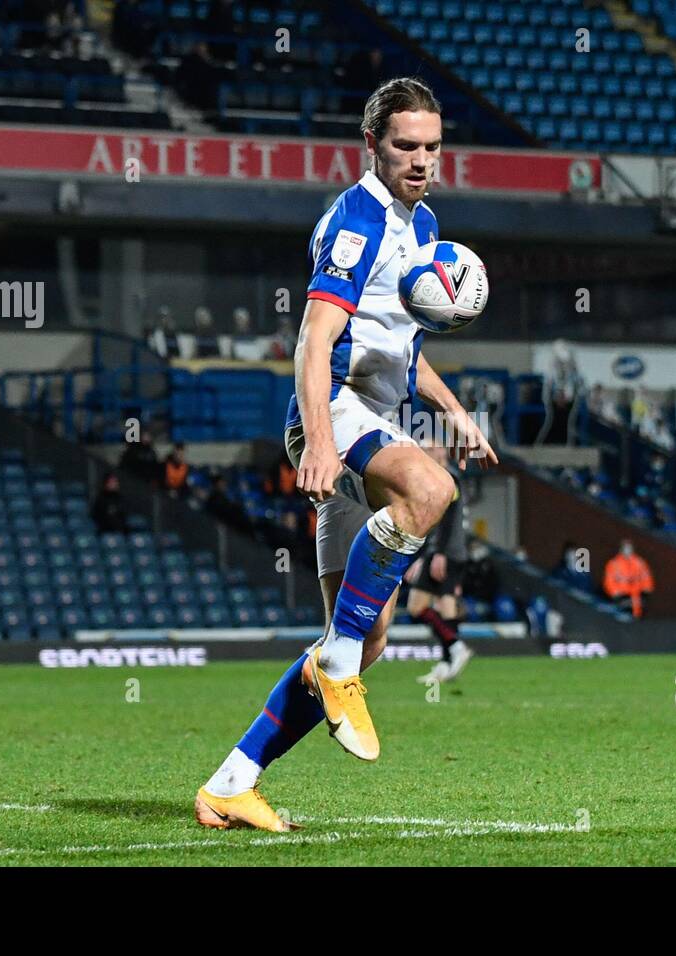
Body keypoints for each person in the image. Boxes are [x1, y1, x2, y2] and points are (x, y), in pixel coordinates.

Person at [195, 77, 498, 832]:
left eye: (432, 146)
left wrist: (456, 411)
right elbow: (315, 340)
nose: (422, 159)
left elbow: (398, 347)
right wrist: (321, 445)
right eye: (406, 145)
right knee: (430, 493)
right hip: (332, 412)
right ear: (371, 143)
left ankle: (232, 781)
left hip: (371, 415)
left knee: (366, 649)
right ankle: (331, 658)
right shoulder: (358, 221)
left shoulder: (423, 224)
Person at [406, 443, 473, 685]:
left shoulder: (448, 479)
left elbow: (448, 519)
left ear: (442, 451)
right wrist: (423, 558)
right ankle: (448, 660)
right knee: (444, 607)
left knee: (421, 606)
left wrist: (439, 554)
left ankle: (454, 650)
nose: (425, 452)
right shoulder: (438, 477)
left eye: (430, 448)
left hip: (447, 553)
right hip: (443, 553)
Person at [602, 538, 654, 618]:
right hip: (621, 596)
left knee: (637, 614)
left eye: (629, 548)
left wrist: (646, 589)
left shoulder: (639, 562)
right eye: (625, 548)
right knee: (624, 614)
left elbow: (646, 577)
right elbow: (609, 581)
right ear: (621, 550)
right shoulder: (614, 564)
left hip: (637, 595)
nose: (628, 551)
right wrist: (615, 593)